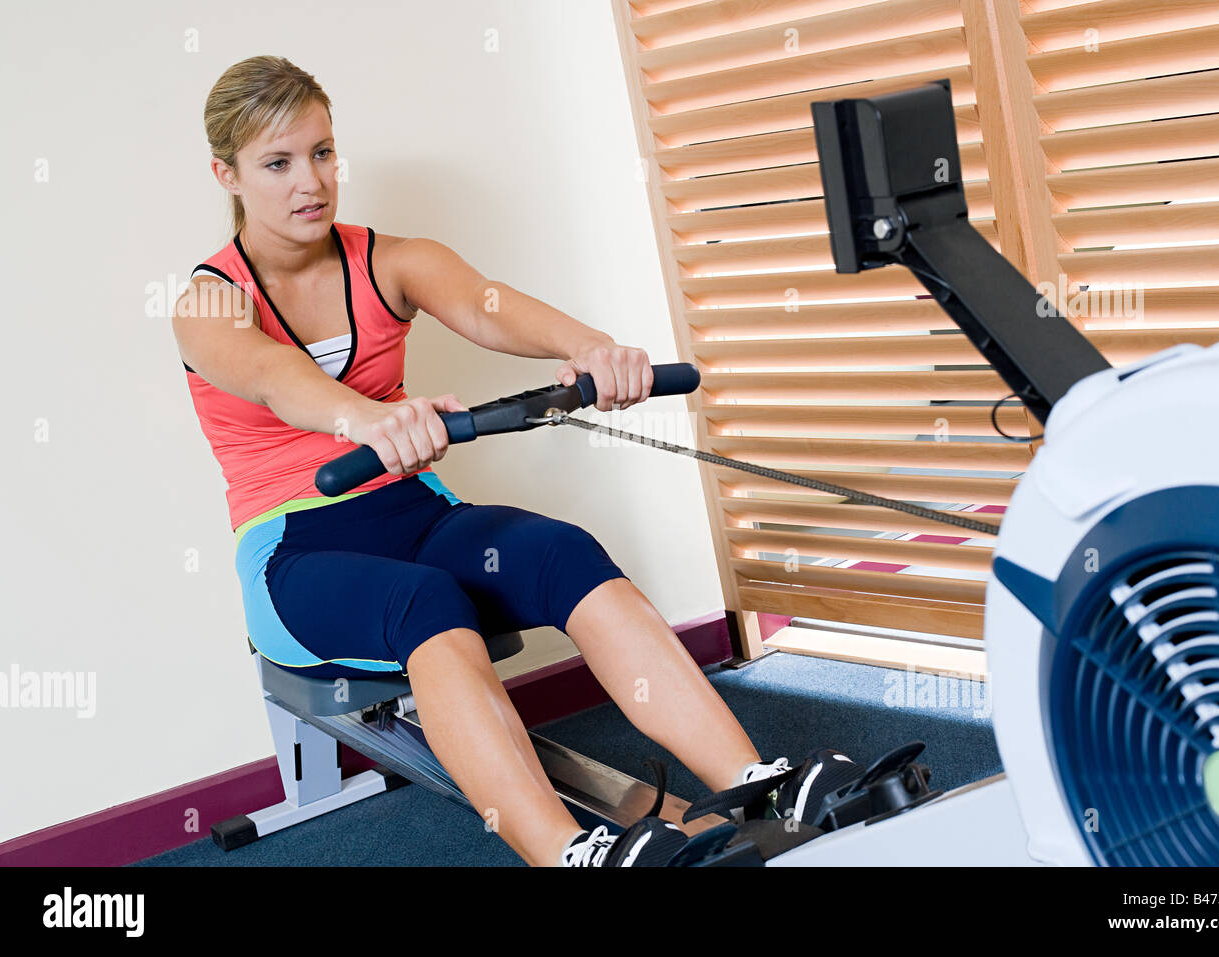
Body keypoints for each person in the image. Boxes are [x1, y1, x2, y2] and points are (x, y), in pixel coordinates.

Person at [173, 55, 851, 867]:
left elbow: (484, 304)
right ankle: (570, 853)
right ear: (228, 174)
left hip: (413, 512)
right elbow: (273, 379)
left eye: (322, 152)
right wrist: (369, 418)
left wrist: (594, 350)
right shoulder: (208, 300)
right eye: (277, 163)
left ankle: (759, 783)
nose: (309, 181)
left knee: (562, 550)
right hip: (293, 549)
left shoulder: (387, 260)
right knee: (422, 602)